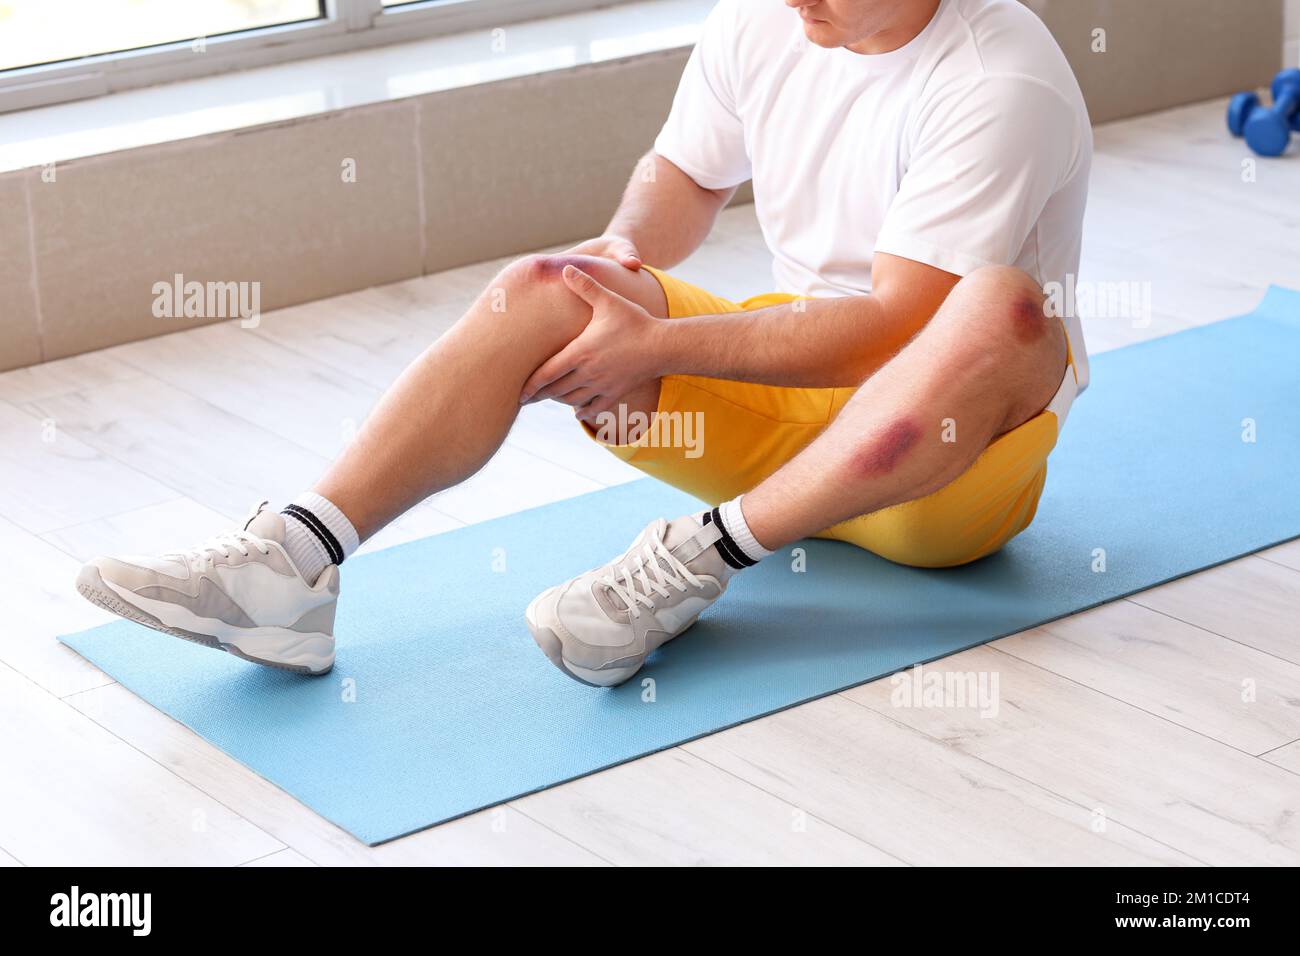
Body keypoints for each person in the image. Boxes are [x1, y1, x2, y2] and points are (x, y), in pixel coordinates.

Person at [77, 0, 1092, 686]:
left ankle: (692, 561)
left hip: (938, 483)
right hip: (781, 424)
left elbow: (887, 331)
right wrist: (615, 264)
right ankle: (290, 565)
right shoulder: (776, 20)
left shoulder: (998, 75)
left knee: (1000, 309)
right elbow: (686, 175)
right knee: (550, 284)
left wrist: (654, 343)